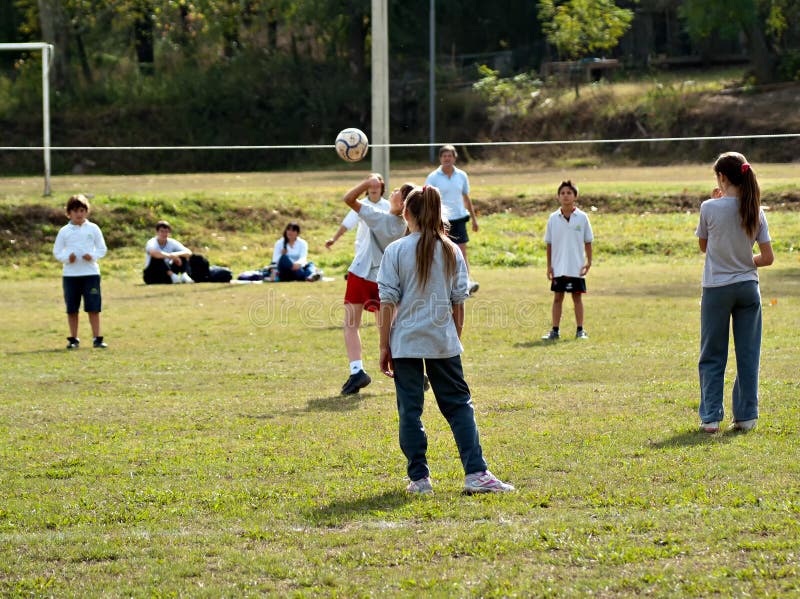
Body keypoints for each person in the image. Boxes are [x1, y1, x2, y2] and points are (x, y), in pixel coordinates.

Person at [377, 185, 514, 495]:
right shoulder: (451, 250)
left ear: (407, 214)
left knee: (410, 411)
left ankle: (420, 480)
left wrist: (385, 345)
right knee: (459, 406)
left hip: (405, 342)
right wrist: (454, 338)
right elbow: (458, 302)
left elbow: (387, 302)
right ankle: (476, 473)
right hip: (442, 340)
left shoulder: (395, 251)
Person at [696, 152, 773, 433]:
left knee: (713, 354)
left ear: (722, 178)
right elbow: (766, 258)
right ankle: (747, 416)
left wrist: (715, 202)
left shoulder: (709, 207)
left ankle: (711, 418)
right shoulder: (756, 209)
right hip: (748, 289)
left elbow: (705, 247)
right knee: (748, 353)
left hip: (717, 289)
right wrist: (744, 262)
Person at [339, 174, 408, 395]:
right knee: (388, 327)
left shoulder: (381, 218)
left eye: (397, 192)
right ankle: (406, 369)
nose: (393, 191)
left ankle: (356, 371)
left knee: (351, 324)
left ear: (402, 203)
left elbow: (349, 199)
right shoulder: (406, 226)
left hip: (362, 273)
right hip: (386, 279)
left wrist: (366, 184)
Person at [52, 194, 108, 349]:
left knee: (93, 307)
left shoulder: (93, 228)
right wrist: (66, 258)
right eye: (75, 211)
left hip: (91, 273)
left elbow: (102, 248)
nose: (79, 214)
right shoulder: (64, 231)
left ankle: (97, 338)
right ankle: (74, 339)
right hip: (71, 275)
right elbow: (57, 252)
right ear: (69, 213)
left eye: (82, 210)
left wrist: (93, 256)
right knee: (72, 309)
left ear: (86, 212)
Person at [541, 180, 594, 341]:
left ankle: (580, 330)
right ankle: (555, 330)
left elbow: (588, 241)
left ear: (575, 196)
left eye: (569, 193)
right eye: (562, 193)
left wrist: (588, 262)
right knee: (558, 298)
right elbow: (549, 244)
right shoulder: (553, 218)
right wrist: (549, 265)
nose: (566, 196)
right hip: (558, 266)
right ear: (558, 197)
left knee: (577, 298)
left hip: (576, 266)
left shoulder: (582, 218)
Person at [425, 144, 480, 295]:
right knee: (442, 252)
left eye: (450, 156)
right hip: (441, 221)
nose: (447, 159)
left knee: (462, 252)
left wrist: (474, 220)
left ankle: (465, 283)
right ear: (440, 158)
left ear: (454, 158)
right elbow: (428, 200)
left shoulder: (462, 175)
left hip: (460, 218)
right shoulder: (433, 177)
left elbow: (466, 197)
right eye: (444, 156)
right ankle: (442, 284)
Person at [143, 220, 194, 284]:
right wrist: (170, 256)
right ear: (157, 232)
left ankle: (184, 275)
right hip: (152, 274)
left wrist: (175, 255)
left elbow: (189, 252)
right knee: (157, 258)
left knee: (182, 256)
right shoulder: (152, 242)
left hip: (166, 273)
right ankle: (172, 276)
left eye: (166, 232)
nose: (164, 234)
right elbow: (153, 253)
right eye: (162, 231)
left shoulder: (172, 242)